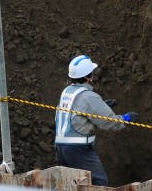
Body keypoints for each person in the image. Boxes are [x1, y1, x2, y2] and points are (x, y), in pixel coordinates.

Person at [54, 55, 138, 186]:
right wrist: (126, 119)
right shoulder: (88, 96)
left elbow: (78, 111)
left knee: (71, 183)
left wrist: (102, 105)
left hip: (61, 148)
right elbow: (109, 122)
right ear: (88, 77)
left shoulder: (67, 92)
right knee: (98, 181)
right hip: (79, 149)